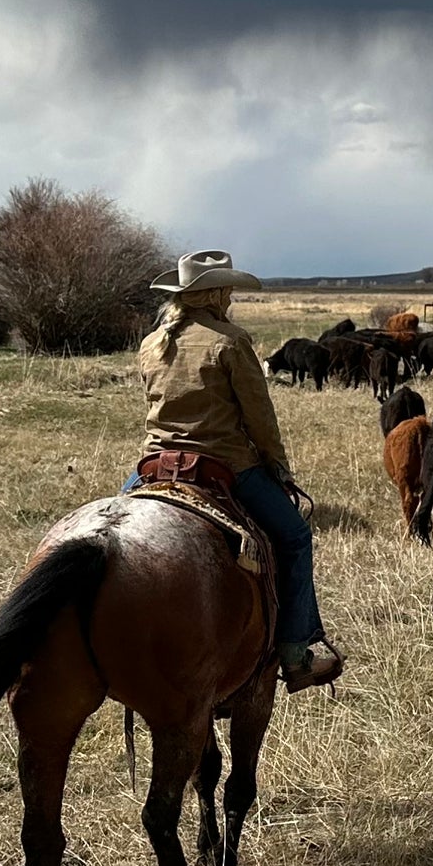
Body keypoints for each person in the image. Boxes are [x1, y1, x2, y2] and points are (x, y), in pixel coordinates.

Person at [124, 250, 344, 690]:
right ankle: (296, 653)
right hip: (224, 463)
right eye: (227, 289)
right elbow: (259, 416)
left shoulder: (152, 343)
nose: (231, 296)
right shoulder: (230, 340)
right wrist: (277, 465)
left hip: (155, 463)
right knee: (296, 538)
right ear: (217, 292)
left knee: (117, 527)